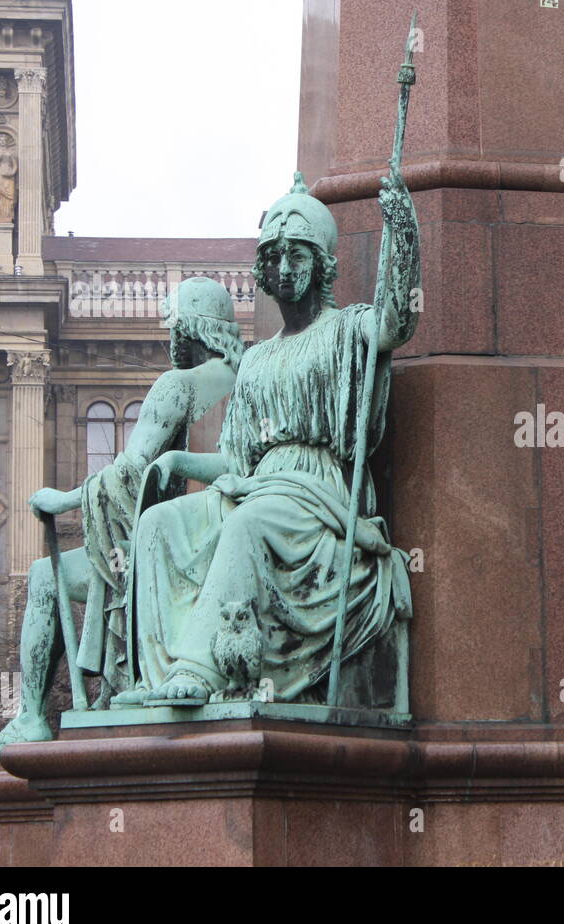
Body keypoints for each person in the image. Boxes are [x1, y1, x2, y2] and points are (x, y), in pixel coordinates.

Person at [118, 172, 417, 707]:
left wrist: (401, 228)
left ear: (321, 264)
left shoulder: (349, 328)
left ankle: (199, 669)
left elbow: (397, 321)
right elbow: (235, 457)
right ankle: (156, 679)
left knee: (246, 524)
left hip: (317, 491)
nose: (285, 269)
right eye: (275, 258)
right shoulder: (255, 359)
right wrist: (176, 460)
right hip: (258, 483)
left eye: (298, 255)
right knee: (158, 524)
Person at [0, 278, 243, 758]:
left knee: (43, 576)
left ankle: (33, 718)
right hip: (224, 536)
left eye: (173, 327)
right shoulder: (249, 380)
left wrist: (61, 501)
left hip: (168, 547)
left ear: (186, 329)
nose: (169, 339)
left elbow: (130, 469)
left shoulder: (177, 385)